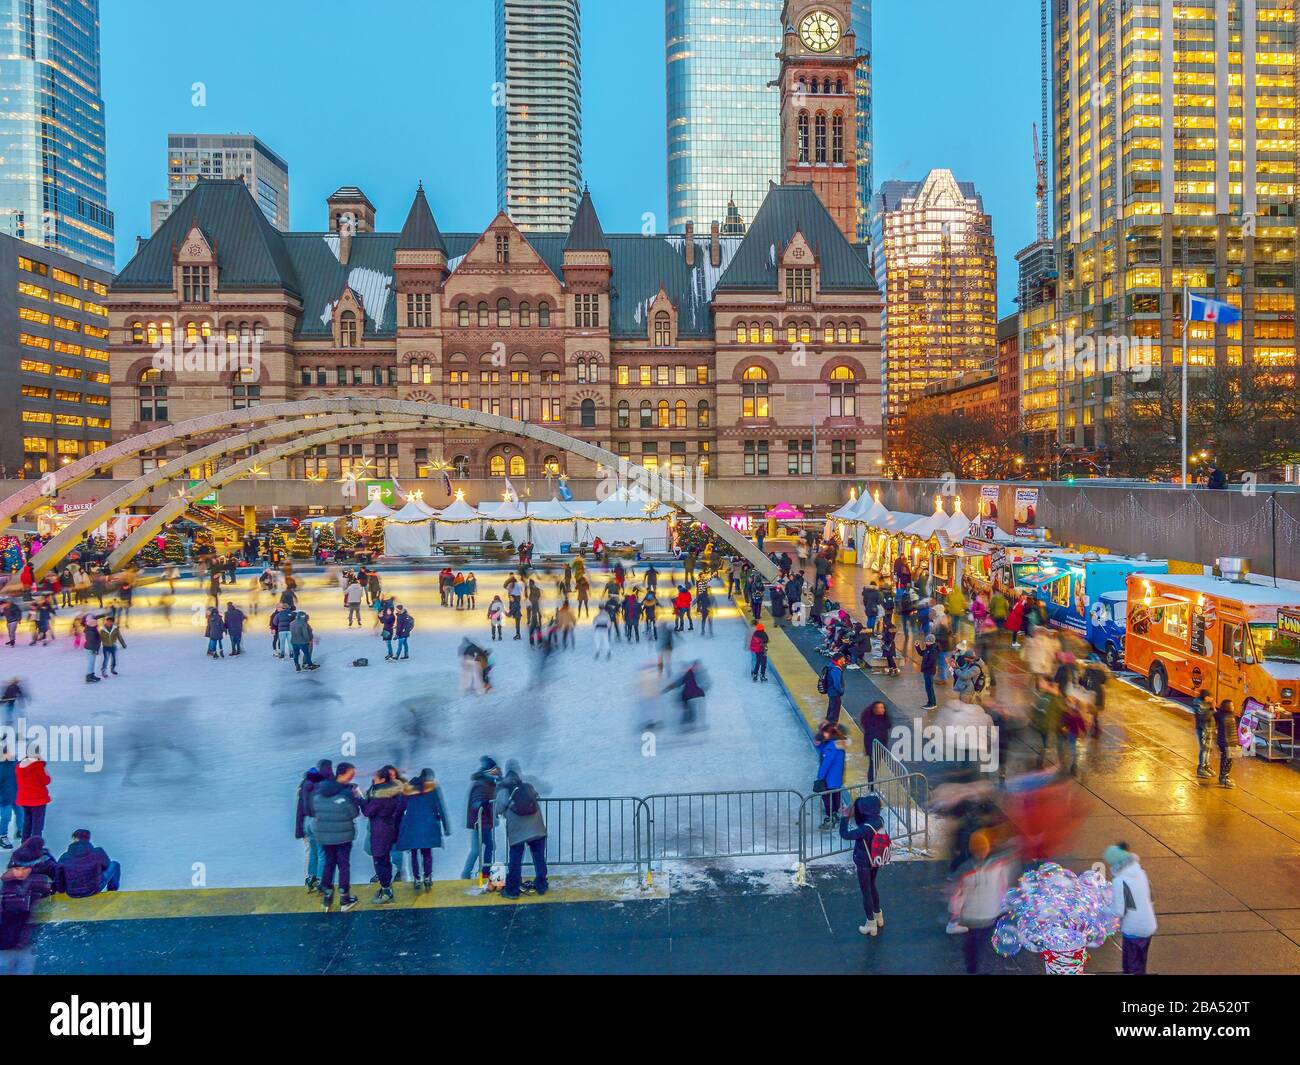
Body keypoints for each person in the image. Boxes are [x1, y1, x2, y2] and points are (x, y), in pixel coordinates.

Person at [949, 832, 1013, 974]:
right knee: (981, 943)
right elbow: (1003, 884)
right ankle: (977, 967)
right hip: (987, 914)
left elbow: (957, 895)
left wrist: (955, 914)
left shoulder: (964, 870)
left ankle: (972, 968)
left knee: (973, 945)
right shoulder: (997, 865)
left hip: (973, 916)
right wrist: (1002, 901)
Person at [495, 760, 548, 899]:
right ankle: (542, 885)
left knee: (516, 859)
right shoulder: (527, 785)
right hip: (536, 827)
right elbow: (538, 795)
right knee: (539, 857)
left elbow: (499, 808)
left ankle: (512, 890)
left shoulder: (504, 789)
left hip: (518, 830)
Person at [312, 762, 361, 912]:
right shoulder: (346, 793)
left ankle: (327, 898)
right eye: (351, 774)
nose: (352, 777)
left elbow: (315, 810)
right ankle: (345, 898)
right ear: (342, 774)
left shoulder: (319, 791)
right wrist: (356, 797)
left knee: (329, 863)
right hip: (343, 835)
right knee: (343, 865)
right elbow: (354, 813)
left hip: (324, 835)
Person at [396, 768, 452, 892]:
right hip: (428, 825)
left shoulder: (408, 789)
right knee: (426, 852)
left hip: (411, 825)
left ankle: (416, 878)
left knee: (414, 853)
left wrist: (396, 825)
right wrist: (446, 827)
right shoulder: (432, 788)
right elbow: (440, 807)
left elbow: (400, 808)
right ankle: (427, 877)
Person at [1105, 843, 1157, 974]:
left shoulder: (1119, 880)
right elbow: (1151, 897)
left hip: (1133, 927)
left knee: (1130, 967)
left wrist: (1103, 908)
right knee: (1140, 964)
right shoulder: (1141, 872)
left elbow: (1119, 911)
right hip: (1148, 924)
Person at [839, 795, 886, 936]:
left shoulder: (865, 829)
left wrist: (845, 817)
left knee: (866, 892)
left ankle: (871, 924)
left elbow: (845, 834)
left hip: (864, 862)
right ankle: (878, 916)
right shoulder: (878, 821)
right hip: (875, 859)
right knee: (872, 886)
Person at [361, 766, 407, 904]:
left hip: (382, 830)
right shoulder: (386, 791)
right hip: (385, 828)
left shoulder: (381, 795)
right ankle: (387, 882)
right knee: (384, 858)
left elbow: (368, 811)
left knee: (382, 858)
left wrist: (359, 799)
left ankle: (387, 887)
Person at [295, 760, 333, 893]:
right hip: (318, 821)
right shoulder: (320, 786)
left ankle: (311, 878)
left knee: (313, 851)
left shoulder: (305, 785)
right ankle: (322, 882)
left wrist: (299, 830)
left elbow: (300, 808)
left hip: (307, 821)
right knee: (323, 853)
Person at [462, 758, 501, 881]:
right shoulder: (482, 784)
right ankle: (484, 872)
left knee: (477, 849)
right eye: (493, 770)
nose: (496, 773)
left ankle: (467, 873)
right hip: (481, 822)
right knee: (488, 846)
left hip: (481, 821)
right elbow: (476, 802)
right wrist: (483, 804)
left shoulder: (487, 783)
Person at [54, 830, 121, 898]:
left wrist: (61, 890)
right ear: (88, 839)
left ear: (74, 838)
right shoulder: (98, 852)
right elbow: (106, 866)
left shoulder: (64, 857)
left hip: (72, 893)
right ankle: (112, 892)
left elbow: (58, 876)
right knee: (115, 864)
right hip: (92, 890)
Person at [813, 722, 848, 828]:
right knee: (836, 797)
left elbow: (826, 764)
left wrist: (820, 778)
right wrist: (819, 742)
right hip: (836, 779)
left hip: (829, 779)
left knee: (828, 799)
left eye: (824, 732)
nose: (822, 734)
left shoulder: (831, 746)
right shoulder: (836, 744)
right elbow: (822, 748)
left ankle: (831, 817)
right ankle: (836, 815)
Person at [16, 748, 49, 842]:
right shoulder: (37, 765)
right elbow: (46, 780)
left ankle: (24, 843)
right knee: (37, 825)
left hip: (24, 799)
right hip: (38, 799)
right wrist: (42, 763)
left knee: (27, 823)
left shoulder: (19, 766)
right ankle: (35, 845)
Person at [859, 700, 891, 781]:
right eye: (879, 708)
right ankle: (871, 786)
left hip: (878, 747)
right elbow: (871, 736)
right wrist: (870, 749)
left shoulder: (882, 719)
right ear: (874, 709)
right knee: (873, 768)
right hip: (874, 748)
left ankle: (871, 784)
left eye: (882, 708)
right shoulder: (873, 722)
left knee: (874, 767)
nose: (882, 710)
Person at [1191, 689, 1214, 778]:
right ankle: (1201, 768)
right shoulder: (1198, 704)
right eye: (1210, 697)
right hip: (1203, 729)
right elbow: (1204, 717)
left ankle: (1206, 766)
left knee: (1208, 749)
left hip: (1209, 729)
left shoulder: (1207, 704)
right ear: (1205, 697)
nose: (1212, 699)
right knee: (1204, 749)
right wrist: (1212, 709)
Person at [1215, 699, 1237, 787]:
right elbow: (1227, 732)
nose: (1233, 707)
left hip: (1227, 742)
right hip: (1228, 743)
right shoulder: (1227, 717)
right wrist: (1231, 744)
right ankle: (1224, 778)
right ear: (1227, 707)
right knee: (1228, 761)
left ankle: (1223, 777)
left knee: (1225, 760)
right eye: (1232, 705)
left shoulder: (1224, 715)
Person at [917, 634, 940, 710]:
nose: (926, 642)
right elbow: (921, 653)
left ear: (931, 642)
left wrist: (925, 666)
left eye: (927, 641)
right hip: (927, 670)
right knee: (929, 687)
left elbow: (932, 661)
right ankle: (933, 702)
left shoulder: (933, 650)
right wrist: (917, 647)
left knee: (929, 688)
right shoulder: (929, 648)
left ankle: (931, 703)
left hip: (929, 671)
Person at [823, 654, 846, 724]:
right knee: (834, 711)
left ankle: (827, 723)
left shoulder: (831, 666)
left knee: (831, 709)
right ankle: (831, 726)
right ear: (839, 660)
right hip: (835, 692)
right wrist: (841, 691)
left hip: (831, 691)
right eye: (843, 659)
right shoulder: (836, 669)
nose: (844, 661)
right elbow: (837, 683)